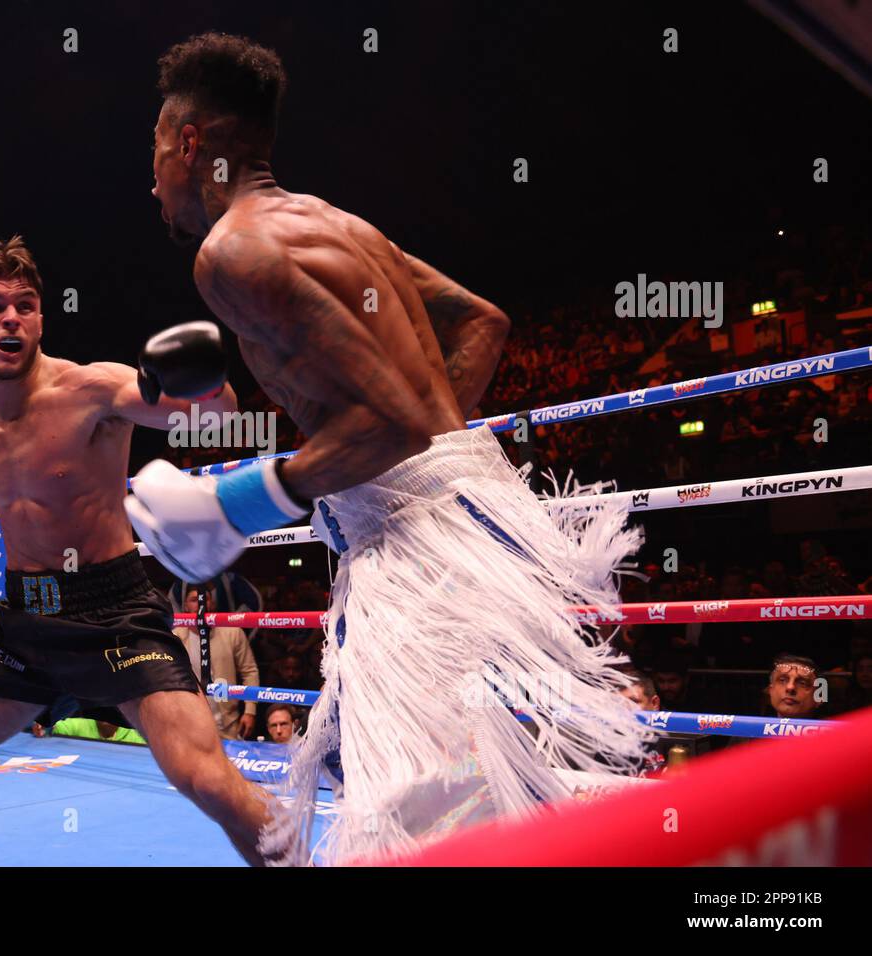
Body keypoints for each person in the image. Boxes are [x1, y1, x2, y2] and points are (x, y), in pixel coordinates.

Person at [127, 33, 646, 865]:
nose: (151, 177)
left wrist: (238, 503)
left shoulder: (228, 253)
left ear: (191, 143)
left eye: (154, 150)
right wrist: (420, 459)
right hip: (471, 502)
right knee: (463, 793)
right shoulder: (338, 224)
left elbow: (392, 422)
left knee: (414, 813)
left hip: (422, 546)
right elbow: (484, 323)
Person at [0, 236, 278, 867]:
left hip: (116, 612)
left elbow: (216, 415)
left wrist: (205, 381)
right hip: (23, 626)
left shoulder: (93, 389)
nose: (11, 317)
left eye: (25, 304)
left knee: (206, 779)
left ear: (40, 318)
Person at [173, 582, 260, 739]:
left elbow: (249, 671)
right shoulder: (176, 636)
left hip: (227, 722)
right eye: (194, 600)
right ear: (185, 606)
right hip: (189, 721)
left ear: (212, 603)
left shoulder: (232, 632)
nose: (200, 604)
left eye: (204, 599)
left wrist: (250, 710)